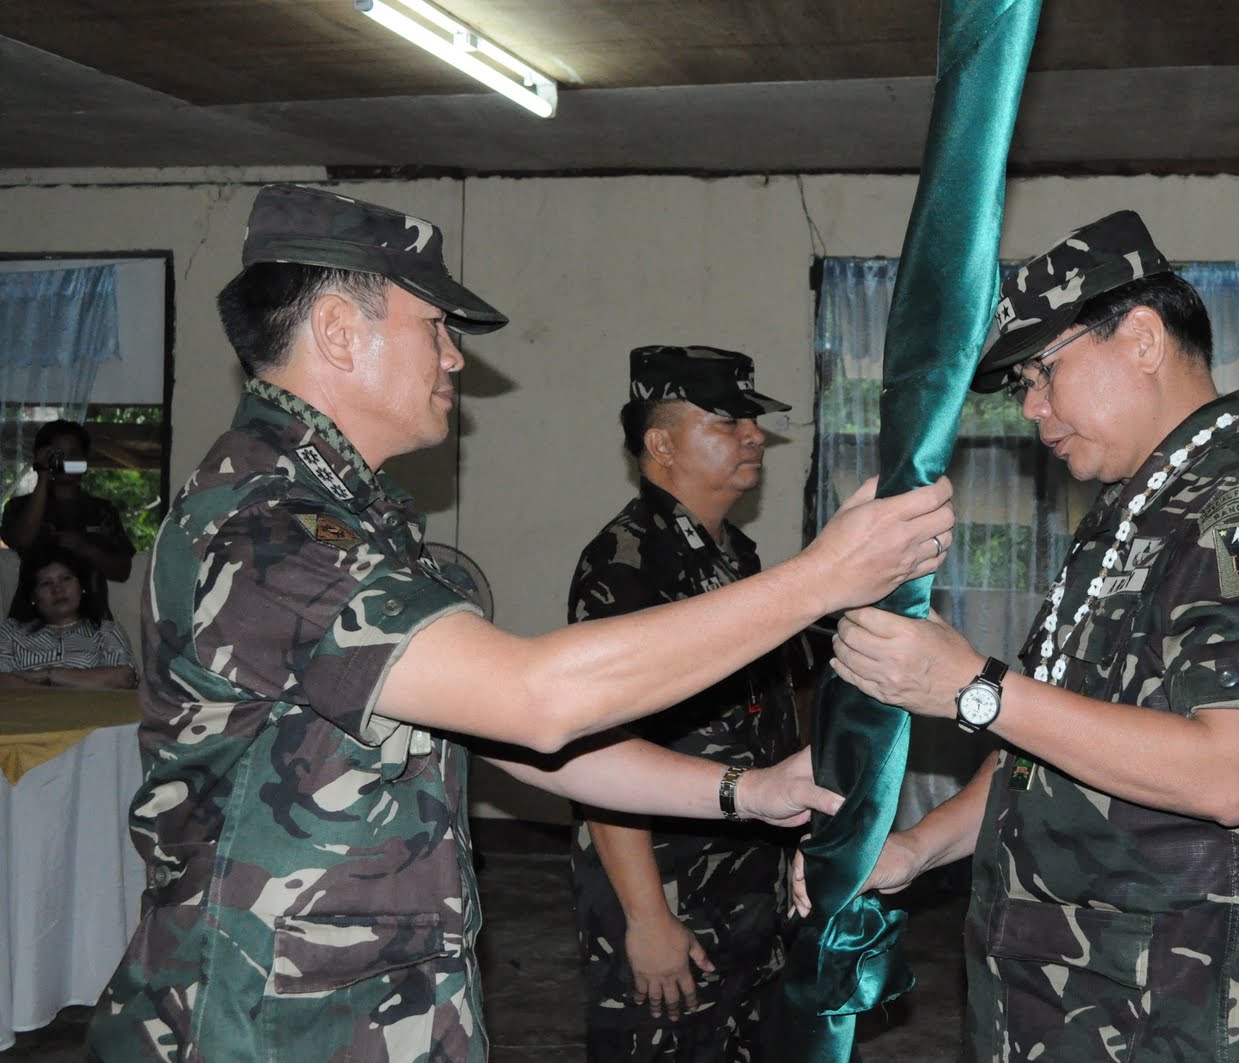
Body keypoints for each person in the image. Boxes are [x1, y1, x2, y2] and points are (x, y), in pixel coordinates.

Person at [85, 183, 954, 1062]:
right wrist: (823, 578)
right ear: (341, 332)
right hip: (260, 1022)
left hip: (361, 1005)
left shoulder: (353, 516)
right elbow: (536, 696)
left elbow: (512, 736)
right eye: (436, 327)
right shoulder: (266, 524)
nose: (455, 359)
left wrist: (742, 792)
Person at [798, 210, 1239, 1061]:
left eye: (1042, 372)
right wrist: (917, 848)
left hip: (1186, 1007)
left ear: (1140, 338)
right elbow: (1039, 748)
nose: (1031, 408)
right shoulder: (1129, 515)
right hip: (1064, 995)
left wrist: (973, 686)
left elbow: (1230, 772)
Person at [568, 344, 810, 1060]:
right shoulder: (626, 563)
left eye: (752, 421)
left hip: (747, 887)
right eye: (727, 421)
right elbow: (597, 747)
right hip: (672, 897)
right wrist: (647, 918)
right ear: (661, 442)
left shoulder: (736, 557)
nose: (753, 435)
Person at [1, 419, 136, 611]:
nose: (66, 462)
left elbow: (123, 570)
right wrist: (43, 475)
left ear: (84, 460)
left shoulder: (102, 510)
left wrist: (86, 549)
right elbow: (20, 540)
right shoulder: (20, 506)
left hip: (91, 619)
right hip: (32, 621)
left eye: (74, 455)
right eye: (58, 455)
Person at [0, 545, 136, 689]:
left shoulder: (107, 631)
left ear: (82, 587)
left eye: (66, 579)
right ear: (33, 597)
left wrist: (49, 675)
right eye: (46, 583)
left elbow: (124, 678)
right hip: (25, 709)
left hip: (92, 710)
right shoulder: (11, 632)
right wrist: (51, 697)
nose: (57, 589)